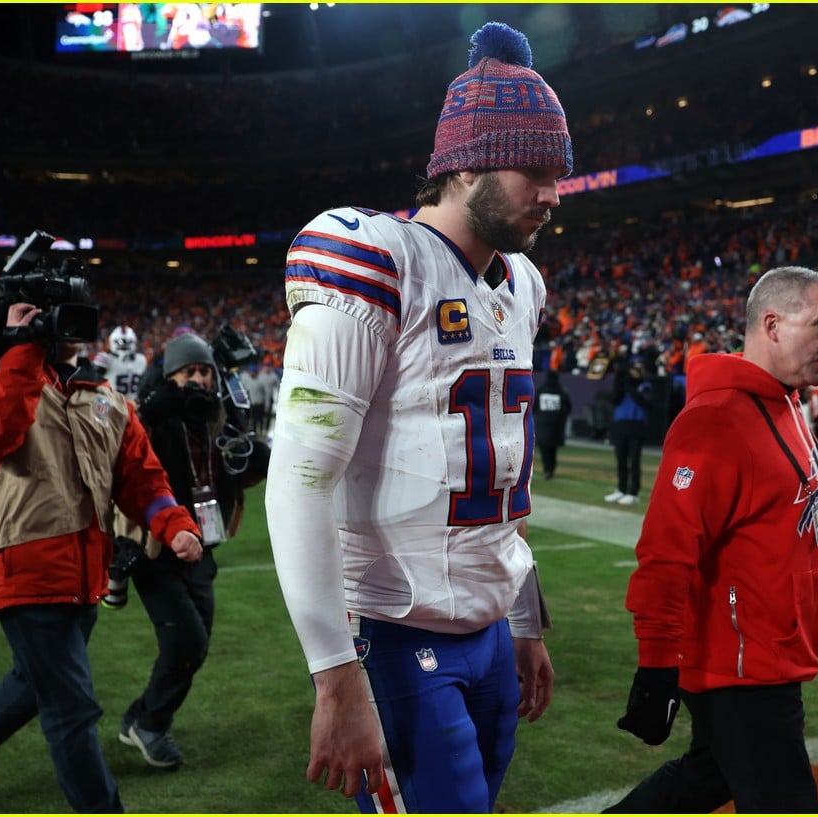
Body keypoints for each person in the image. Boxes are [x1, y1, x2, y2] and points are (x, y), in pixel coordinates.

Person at [264, 21, 566, 813]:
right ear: (463, 164)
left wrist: (524, 617)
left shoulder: (521, 283)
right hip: (396, 634)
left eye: (559, 171)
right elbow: (298, 477)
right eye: (534, 168)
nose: (554, 192)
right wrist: (335, 676)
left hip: (491, 630)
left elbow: (506, 469)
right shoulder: (374, 259)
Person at [609, 266, 818, 814]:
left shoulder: (787, 403)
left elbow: (807, 518)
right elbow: (665, 557)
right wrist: (656, 667)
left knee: (705, 778)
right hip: (741, 667)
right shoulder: (714, 420)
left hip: (765, 653)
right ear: (772, 325)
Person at [0, 303, 203, 813]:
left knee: (29, 688)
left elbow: (143, 480)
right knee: (71, 710)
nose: (64, 325)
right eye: (45, 314)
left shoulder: (103, 396)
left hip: (81, 575)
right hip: (22, 569)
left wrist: (173, 525)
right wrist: (20, 350)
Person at [115, 333, 270, 769]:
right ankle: (151, 724)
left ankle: (142, 717)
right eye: (189, 373)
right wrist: (151, 409)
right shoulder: (155, 417)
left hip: (204, 545)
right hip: (156, 549)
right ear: (171, 378)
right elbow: (127, 461)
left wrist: (255, 455)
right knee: (186, 640)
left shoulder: (220, 417)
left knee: (192, 647)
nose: (199, 379)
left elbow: (243, 466)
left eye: (204, 371)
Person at [604, 355, 652, 506]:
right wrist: (621, 383)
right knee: (621, 460)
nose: (636, 372)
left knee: (634, 460)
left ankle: (633, 492)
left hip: (636, 425)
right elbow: (614, 399)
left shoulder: (646, 385)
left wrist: (630, 386)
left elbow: (643, 400)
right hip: (621, 424)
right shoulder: (623, 385)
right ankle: (621, 489)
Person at [94, 324, 148, 403]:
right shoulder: (140, 359)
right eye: (121, 342)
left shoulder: (140, 359)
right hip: (113, 404)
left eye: (126, 342)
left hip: (129, 404)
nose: (123, 345)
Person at [534, 368, 572, 479]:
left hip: (543, 424)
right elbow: (568, 407)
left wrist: (540, 415)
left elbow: (534, 405)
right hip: (556, 425)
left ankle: (547, 469)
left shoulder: (541, 390)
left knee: (544, 449)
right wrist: (560, 417)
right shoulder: (562, 390)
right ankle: (551, 469)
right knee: (553, 449)